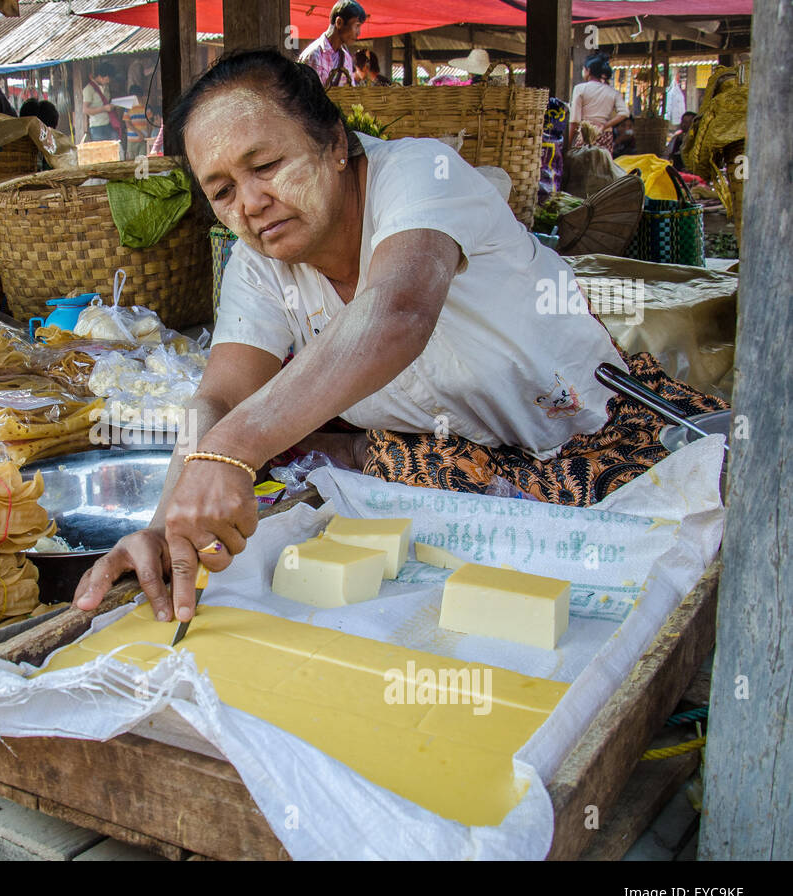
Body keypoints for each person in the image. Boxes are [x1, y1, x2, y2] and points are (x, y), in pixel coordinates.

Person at [72, 49, 725, 624]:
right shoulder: (260, 264)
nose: (250, 202)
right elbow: (217, 398)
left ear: (335, 143)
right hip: (449, 480)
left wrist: (234, 449)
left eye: (266, 164)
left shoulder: (418, 173)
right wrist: (165, 521)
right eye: (221, 190)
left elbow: (398, 313)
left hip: (596, 450)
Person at [298, 2, 366, 88]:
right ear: (339, 22)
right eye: (357, 26)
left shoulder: (346, 59)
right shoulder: (314, 55)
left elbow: (350, 93)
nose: (359, 33)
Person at [571, 53, 629, 152]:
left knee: (583, 165)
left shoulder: (580, 89)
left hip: (585, 136)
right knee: (602, 165)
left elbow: (574, 121)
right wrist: (604, 126)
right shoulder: (612, 92)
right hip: (605, 136)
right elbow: (624, 113)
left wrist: (568, 145)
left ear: (588, 70)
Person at [83, 63, 123, 142]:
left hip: (109, 124)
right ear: (100, 77)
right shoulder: (89, 89)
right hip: (97, 127)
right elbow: (85, 110)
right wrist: (104, 109)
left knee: (116, 146)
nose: (108, 81)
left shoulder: (106, 87)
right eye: (107, 79)